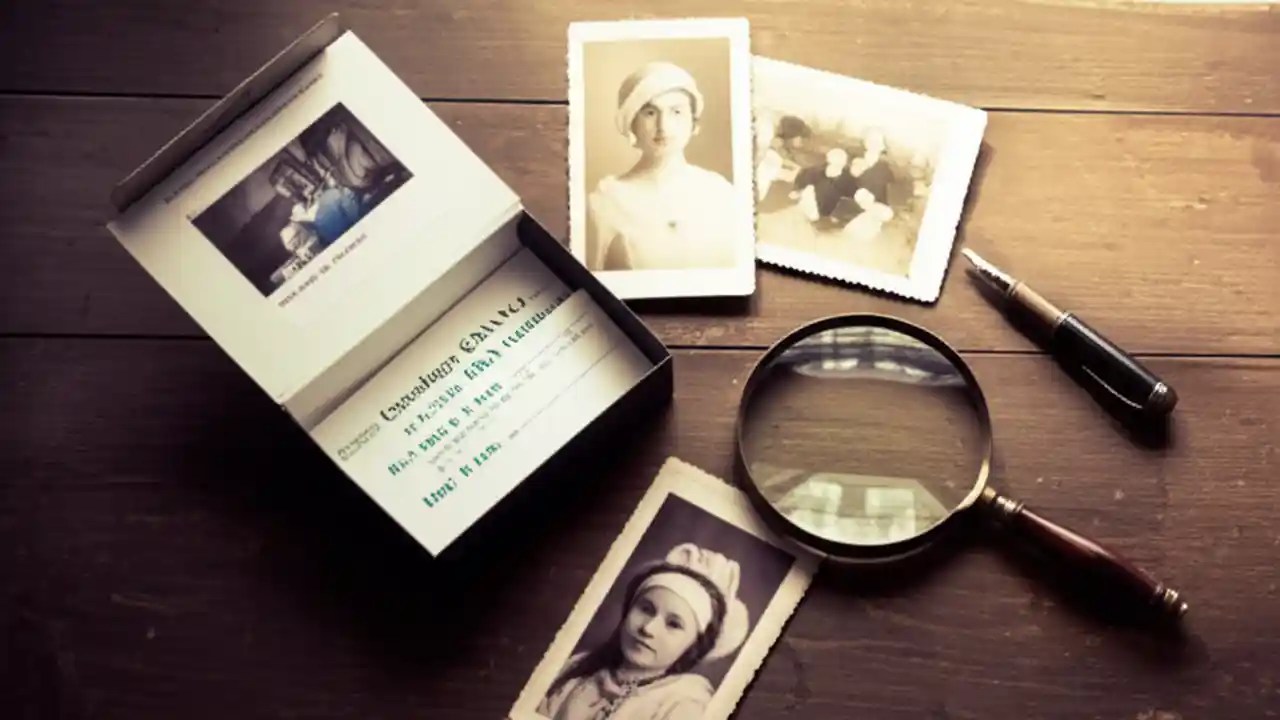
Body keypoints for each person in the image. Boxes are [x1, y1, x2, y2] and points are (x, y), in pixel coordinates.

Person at [537, 543, 751, 720]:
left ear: (694, 645)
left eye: (674, 624)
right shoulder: (576, 671)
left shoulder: (684, 705)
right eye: (646, 609)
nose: (648, 628)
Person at [587, 62, 740, 272]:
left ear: (694, 123)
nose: (663, 127)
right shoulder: (607, 199)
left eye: (676, 112)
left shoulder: (720, 191)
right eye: (650, 112)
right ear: (632, 122)